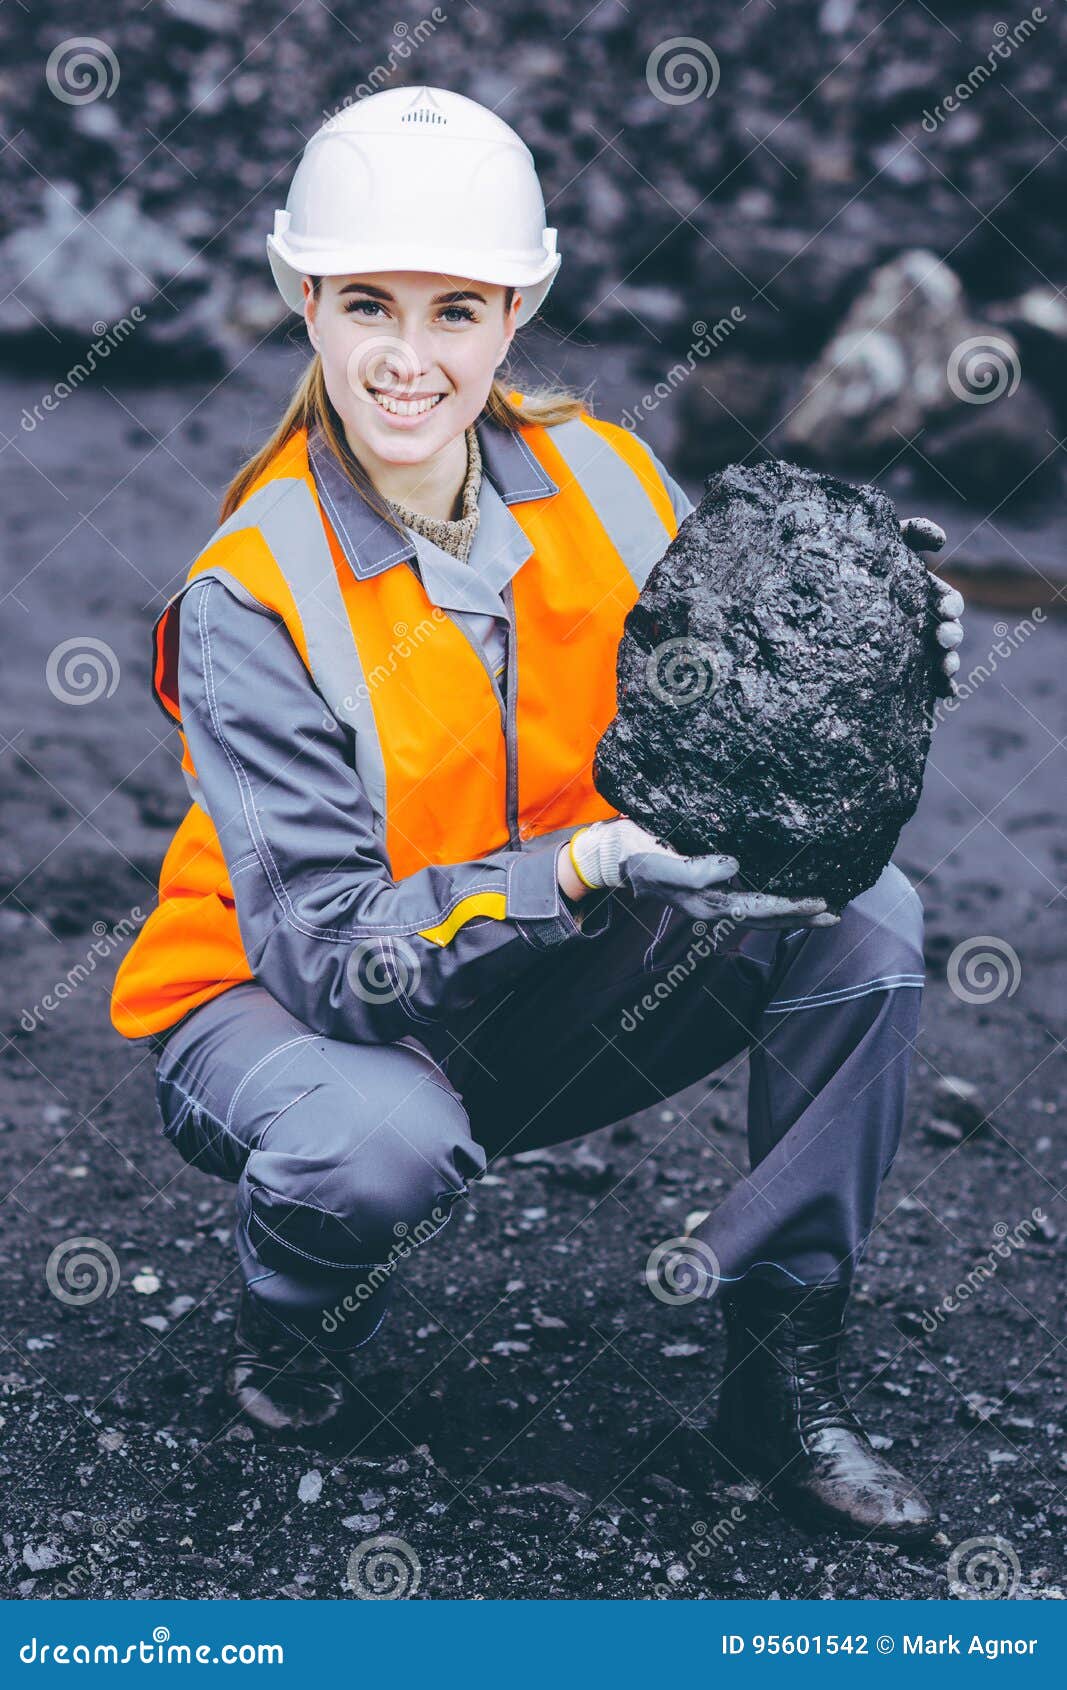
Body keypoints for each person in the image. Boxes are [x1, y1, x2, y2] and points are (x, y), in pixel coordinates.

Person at [110, 85, 965, 1544]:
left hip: (541, 957)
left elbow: (749, 700)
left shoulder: (610, 475)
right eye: (367, 302)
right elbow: (327, 959)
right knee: (378, 1138)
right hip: (285, 1010)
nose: (407, 354)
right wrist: (579, 869)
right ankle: (294, 1305)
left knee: (868, 917)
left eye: (457, 309)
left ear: (519, 310)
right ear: (300, 301)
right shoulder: (253, 590)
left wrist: (878, 635)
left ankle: (779, 1378)